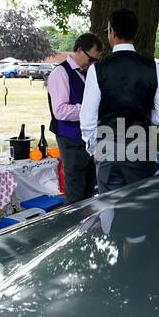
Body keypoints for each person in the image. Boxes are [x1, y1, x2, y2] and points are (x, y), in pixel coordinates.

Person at [79, 9, 159, 193]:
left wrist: (93, 149)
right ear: (134, 34)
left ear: (111, 32)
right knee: (140, 210)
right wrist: (146, 114)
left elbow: (87, 118)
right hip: (141, 147)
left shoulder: (98, 69)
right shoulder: (152, 68)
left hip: (108, 146)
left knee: (109, 210)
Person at [47, 33, 103, 203]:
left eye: (96, 61)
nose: (92, 64)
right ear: (79, 50)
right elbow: (60, 111)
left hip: (89, 140)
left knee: (89, 189)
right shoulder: (60, 73)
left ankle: (88, 227)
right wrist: (89, 110)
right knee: (75, 192)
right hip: (70, 139)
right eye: (91, 59)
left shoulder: (88, 74)